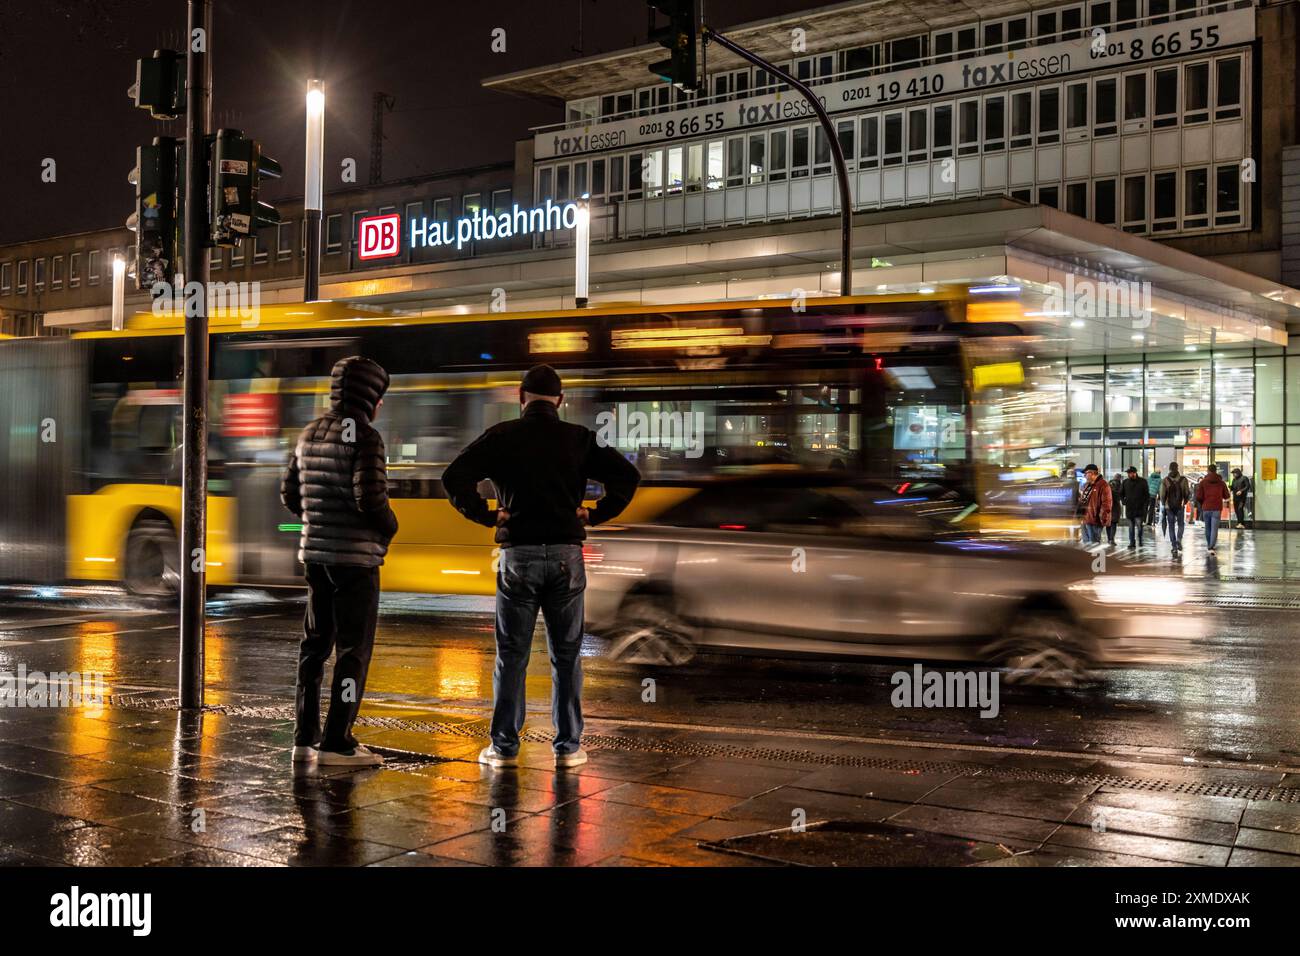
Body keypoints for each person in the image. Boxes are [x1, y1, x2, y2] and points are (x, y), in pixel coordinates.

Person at [442, 365, 641, 769]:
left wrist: (488, 515)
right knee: (566, 655)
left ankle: (503, 748)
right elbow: (628, 475)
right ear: (561, 401)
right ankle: (567, 748)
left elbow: (453, 477)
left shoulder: (501, 436)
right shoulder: (579, 438)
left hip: (519, 555)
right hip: (567, 557)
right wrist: (595, 513)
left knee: (511, 654)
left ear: (521, 397)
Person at [280, 356, 398, 767]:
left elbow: (290, 495)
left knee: (314, 647)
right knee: (352, 651)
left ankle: (304, 737)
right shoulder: (365, 438)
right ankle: (337, 742)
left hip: (316, 557)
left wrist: (319, 520)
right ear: (370, 396)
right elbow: (371, 500)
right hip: (355, 561)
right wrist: (389, 527)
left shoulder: (308, 433)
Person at [1196, 464, 1230, 554]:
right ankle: (1211, 546)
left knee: (1207, 527)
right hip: (1217, 508)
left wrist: (1203, 502)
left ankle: (1209, 545)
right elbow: (1227, 495)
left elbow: (1198, 496)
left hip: (1206, 508)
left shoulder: (1203, 482)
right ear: (1216, 471)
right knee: (1214, 528)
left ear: (1208, 471)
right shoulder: (1221, 482)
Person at [1079, 463, 1112, 547]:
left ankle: (1094, 559)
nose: (1084, 476)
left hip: (1095, 520)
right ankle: (1088, 559)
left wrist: (1102, 519)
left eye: (1086, 473)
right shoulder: (1088, 485)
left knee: (1094, 544)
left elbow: (1106, 503)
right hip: (1086, 519)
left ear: (1092, 473)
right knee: (1087, 544)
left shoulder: (1103, 485)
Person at [1120, 466, 1151, 548]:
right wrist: (1124, 501)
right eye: (1128, 473)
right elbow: (1121, 493)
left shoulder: (1143, 482)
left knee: (1139, 527)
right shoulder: (1125, 482)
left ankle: (1140, 540)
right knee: (1131, 527)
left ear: (1134, 473)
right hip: (1129, 508)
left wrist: (1145, 506)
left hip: (1139, 509)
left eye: (1130, 473)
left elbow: (1147, 495)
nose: (1129, 474)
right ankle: (1132, 542)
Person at [1106, 472, 1123, 545]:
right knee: (1113, 524)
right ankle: (1111, 539)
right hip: (1115, 507)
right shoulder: (1119, 485)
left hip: (1108, 506)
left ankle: (1109, 538)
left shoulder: (1108, 484)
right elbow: (1119, 496)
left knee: (1108, 524)